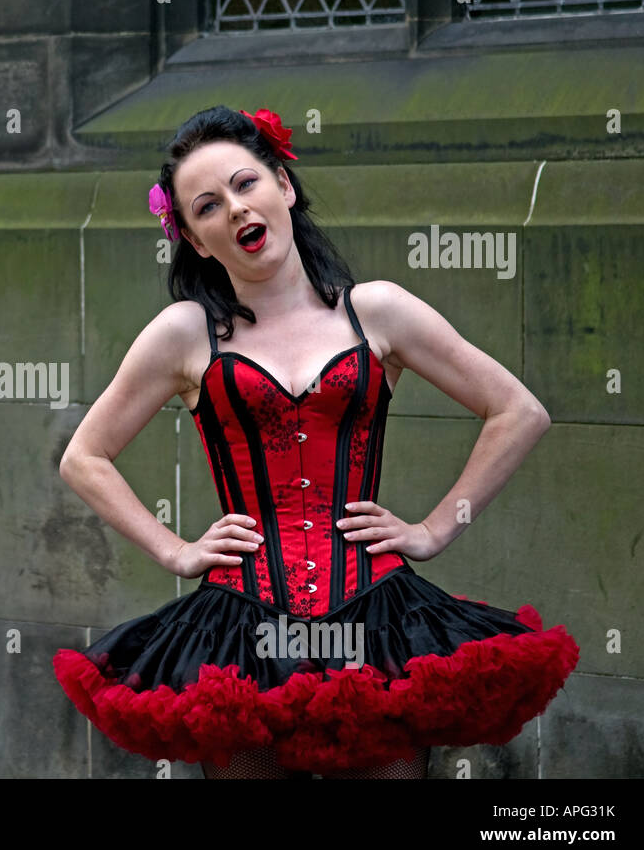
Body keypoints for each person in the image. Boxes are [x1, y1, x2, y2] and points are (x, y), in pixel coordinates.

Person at [53, 106, 579, 779]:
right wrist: (175, 549)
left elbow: (517, 410)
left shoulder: (378, 310)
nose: (235, 209)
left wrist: (433, 529)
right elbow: (84, 457)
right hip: (240, 631)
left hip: (376, 619)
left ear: (284, 186)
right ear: (195, 238)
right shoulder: (185, 334)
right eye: (207, 206)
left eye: (246, 184)